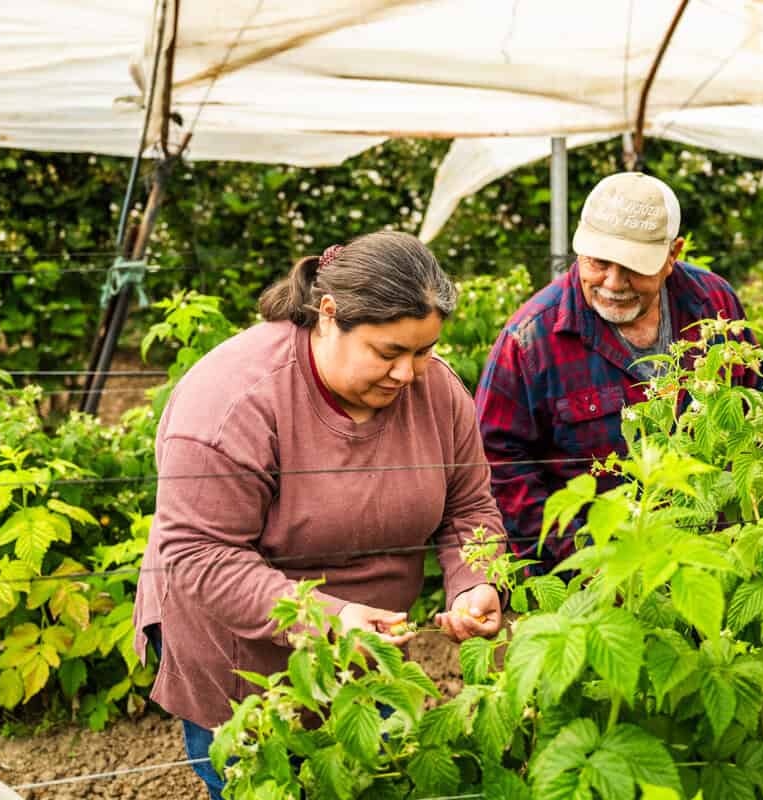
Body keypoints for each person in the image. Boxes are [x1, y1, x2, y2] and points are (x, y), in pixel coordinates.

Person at [132, 231, 505, 799]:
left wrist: (474, 583)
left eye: (423, 351)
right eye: (388, 353)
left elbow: (469, 505)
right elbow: (199, 557)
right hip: (244, 659)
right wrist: (329, 622)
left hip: (372, 648)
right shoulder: (232, 401)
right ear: (328, 315)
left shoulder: (435, 391)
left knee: (365, 782)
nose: (409, 374)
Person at [475, 172, 761, 573]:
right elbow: (500, 467)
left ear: (672, 255)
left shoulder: (713, 303)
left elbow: (755, 408)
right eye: (599, 262)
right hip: (593, 574)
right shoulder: (532, 339)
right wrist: (582, 562)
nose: (613, 283)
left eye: (633, 267)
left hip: (706, 560)